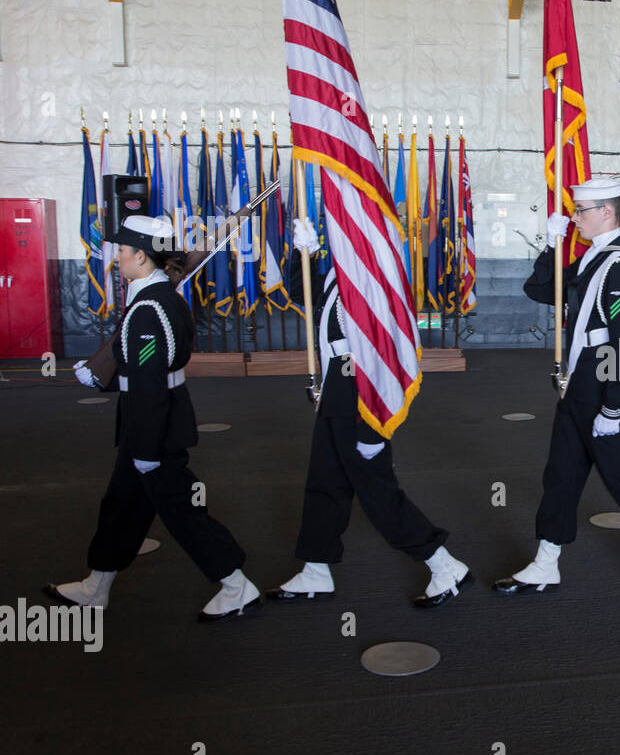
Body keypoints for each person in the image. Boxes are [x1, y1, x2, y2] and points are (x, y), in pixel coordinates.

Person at [52, 214, 261, 621]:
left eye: (124, 251)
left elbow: (149, 381)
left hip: (154, 427)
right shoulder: (159, 299)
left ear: (143, 256)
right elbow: (144, 368)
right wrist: (104, 376)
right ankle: (97, 586)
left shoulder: (150, 308)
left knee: (181, 509)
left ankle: (236, 586)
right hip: (147, 419)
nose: (118, 258)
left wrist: (145, 446)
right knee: (123, 505)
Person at [494, 179, 620, 593]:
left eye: (581, 210)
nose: (575, 217)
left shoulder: (619, 265)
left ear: (608, 211)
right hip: (579, 379)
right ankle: (547, 560)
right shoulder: (591, 260)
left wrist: (614, 408)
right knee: (562, 475)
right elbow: (537, 289)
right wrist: (553, 244)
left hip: (601, 382)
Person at [269, 218, 471, 608]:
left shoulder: (375, 283)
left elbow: (385, 358)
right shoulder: (341, 273)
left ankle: (443, 564)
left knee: (377, 493)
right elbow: (305, 295)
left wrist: (374, 429)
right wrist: (304, 256)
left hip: (361, 399)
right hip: (337, 391)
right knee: (325, 482)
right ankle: (316, 568)